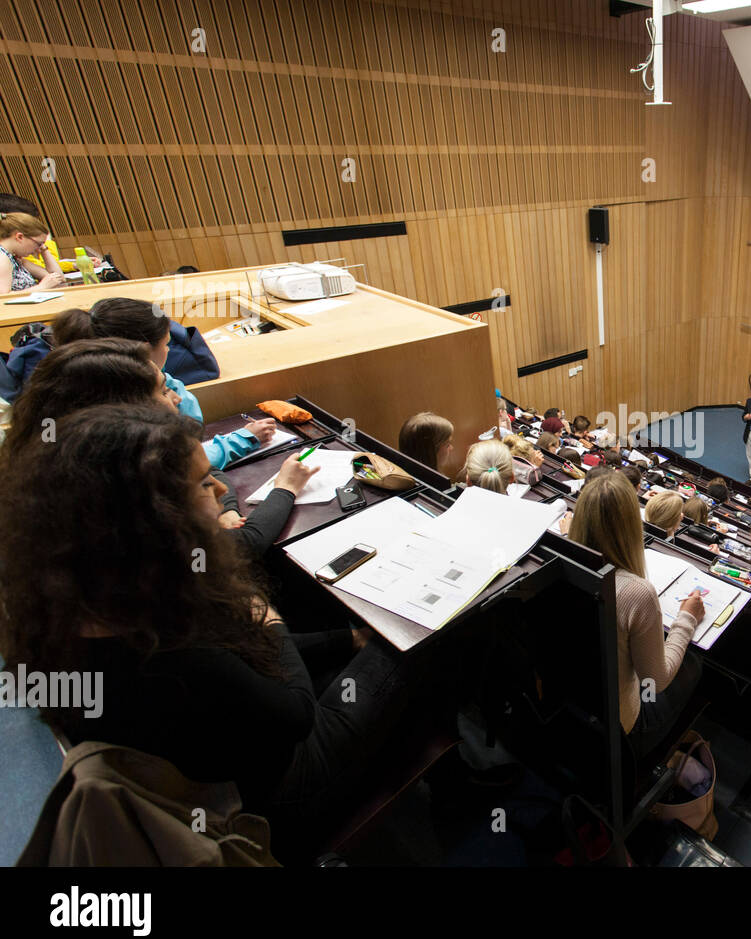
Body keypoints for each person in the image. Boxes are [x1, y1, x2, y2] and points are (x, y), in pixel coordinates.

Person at [0, 404, 445, 863]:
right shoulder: (178, 659)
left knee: (350, 636)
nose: (219, 488)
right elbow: (296, 715)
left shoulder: (73, 604)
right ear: (151, 517)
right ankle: (460, 780)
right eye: (202, 483)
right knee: (412, 632)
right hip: (277, 791)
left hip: (207, 765)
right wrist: (263, 611)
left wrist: (343, 640)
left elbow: (237, 674)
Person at [3, 338, 315, 549]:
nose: (177, 398)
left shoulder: (63, 458)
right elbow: (241, 546)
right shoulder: (112, 492)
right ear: (124, 408)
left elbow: (208, 473)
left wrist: (222, 508)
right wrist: (284, 488)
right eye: (165, 391)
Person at [50, 298, 275, 469]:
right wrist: (242, 440)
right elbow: (179, 461)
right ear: (143, 350)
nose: (175, 397)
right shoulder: (125, 405)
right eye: (167, 343)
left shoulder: (72, 381)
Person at [568, 475, 703, 757]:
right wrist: (686, 620)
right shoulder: (636, 593)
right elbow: (654, 681)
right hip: (624, 723)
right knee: (696, 664)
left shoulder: (562, 562)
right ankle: (661, 756)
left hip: (570, 704)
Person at [0, 212, 66, 293]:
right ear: (20, 237)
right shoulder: (2, 258)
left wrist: (44, 250)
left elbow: (58, 279)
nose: (37, 249)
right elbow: (3, 297)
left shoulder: (14, 257)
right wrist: (41, 287)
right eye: (38, 244)